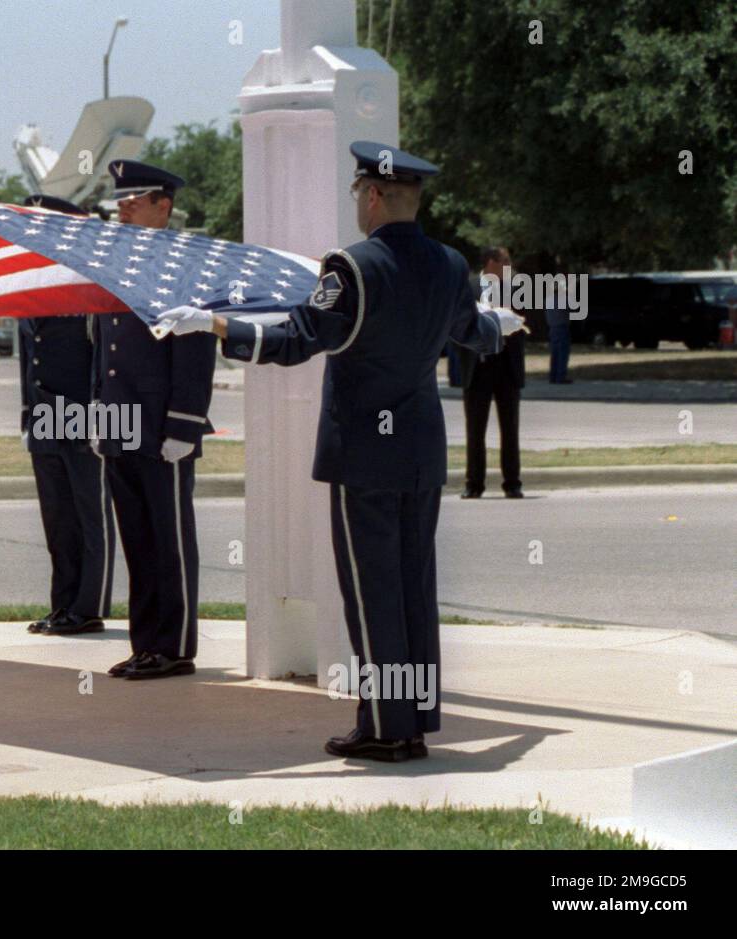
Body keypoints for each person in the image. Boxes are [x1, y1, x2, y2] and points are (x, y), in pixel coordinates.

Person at [156, 141, 527, 761]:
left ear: (375, 195)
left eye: (360, 192)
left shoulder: (350, 269)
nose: (359, 202)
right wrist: (501, 325)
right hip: (419, 451)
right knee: (413, 588)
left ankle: (385, 727)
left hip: (364, 452)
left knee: (373, 590)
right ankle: (410, 721)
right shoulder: (447, 264)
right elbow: (470, 331)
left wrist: (217, 325)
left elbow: (300, 336)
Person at [93, 160, 216, 680]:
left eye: (134, 200)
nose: (123, 208)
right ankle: (146, 644)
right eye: (121, 201)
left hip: (162, 425)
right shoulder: (115, 263)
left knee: (169, 542)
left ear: (163, 206)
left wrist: (184, 425)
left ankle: (175, 646)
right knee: (138, 541)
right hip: (121, 422)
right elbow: (106, 348)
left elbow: (195, 347)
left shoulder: (184, 266)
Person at [20, 193, 115, 637]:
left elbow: (104, 357)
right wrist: (28, 413)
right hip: (43, 414)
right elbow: (29, 354)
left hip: (85, 411)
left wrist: (102, 413)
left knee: (90, 515)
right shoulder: (30, 283)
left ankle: (90, 606)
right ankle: (63, 606)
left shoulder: (91, 283)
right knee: (57, 518)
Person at [461, 246, 525, 499]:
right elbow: (458, 321)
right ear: (491, 262)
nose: (510, 265)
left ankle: (512, 483)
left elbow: (525, 320)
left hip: (506, 367)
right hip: (477, 368)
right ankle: (473, 484)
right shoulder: (469, 286)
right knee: (475, 431)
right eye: (506, 261)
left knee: (510, 429)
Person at [545, 273, 573, 384]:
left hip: (552, 328)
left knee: (554, 353)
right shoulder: (564, 299)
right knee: (563, 353)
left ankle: (553, 376)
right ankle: (561, 377)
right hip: (562, 327)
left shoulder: (548, 300)